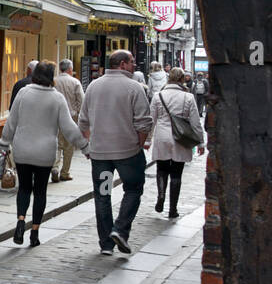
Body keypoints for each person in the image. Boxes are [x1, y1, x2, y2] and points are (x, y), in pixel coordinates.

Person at [1, 61, 89, 247]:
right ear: (52, 77)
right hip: (45, 152)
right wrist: (85, 147)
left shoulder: (23, 93)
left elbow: (11, 122)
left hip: (23, 150)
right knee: (40, 192)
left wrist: (4, 143)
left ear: (34, 75)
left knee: (24, 188)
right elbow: (69, 128)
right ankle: (34, 232)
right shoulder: (57, 99)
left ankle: (19, 222)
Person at [79, 49, 152, 255]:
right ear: (122, 64)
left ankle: (106, 244)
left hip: (101, 154)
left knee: (102, 195)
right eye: (131, 61)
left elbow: (83, 121)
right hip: (127, 152)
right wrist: (138, 145)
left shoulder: (93, 86)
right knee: (133, 189)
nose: (134, 65)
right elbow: (144, 123)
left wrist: (90, 144)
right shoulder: (133, 87)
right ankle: (120, 229)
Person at [150, 67, 206, 219]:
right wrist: (201, 143)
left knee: (161, 169)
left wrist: (147, 140)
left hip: (162, 136)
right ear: (182, 79)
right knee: (176, 173)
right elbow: (195, 123)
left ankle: (161, 195)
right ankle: (172, 209)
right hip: (180, 138)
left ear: (168, 79)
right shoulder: (188, 98)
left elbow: (151, 120)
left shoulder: (158, 95)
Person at [52, 58, 85, 183]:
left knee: (57, 144)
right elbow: (82, 100)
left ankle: (55, 167)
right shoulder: (75, 82)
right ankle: (65, 172)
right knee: (68, 146)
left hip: (55, 117)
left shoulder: (54, 81)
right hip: (71, 117)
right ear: (70, 69)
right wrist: (79, 114)